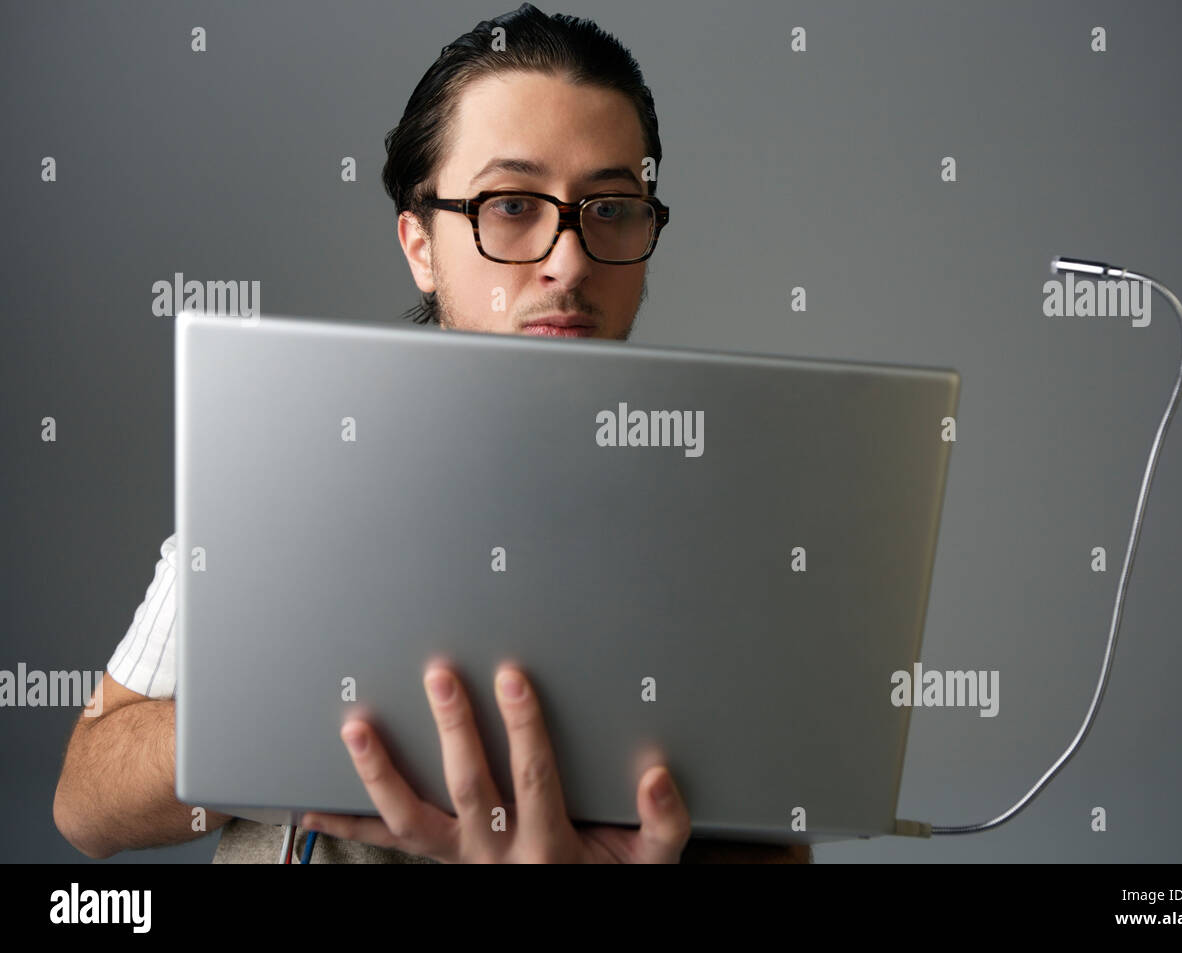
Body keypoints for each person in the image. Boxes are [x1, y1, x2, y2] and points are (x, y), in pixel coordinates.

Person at [53, 3, 811, 864]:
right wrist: (333, 709)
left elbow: (778, 843)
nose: (568, 259)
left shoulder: (727, 521)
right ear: (421, 244)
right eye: (512, 203)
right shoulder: (280, 472)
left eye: (609, 207)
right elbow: (85, 802)